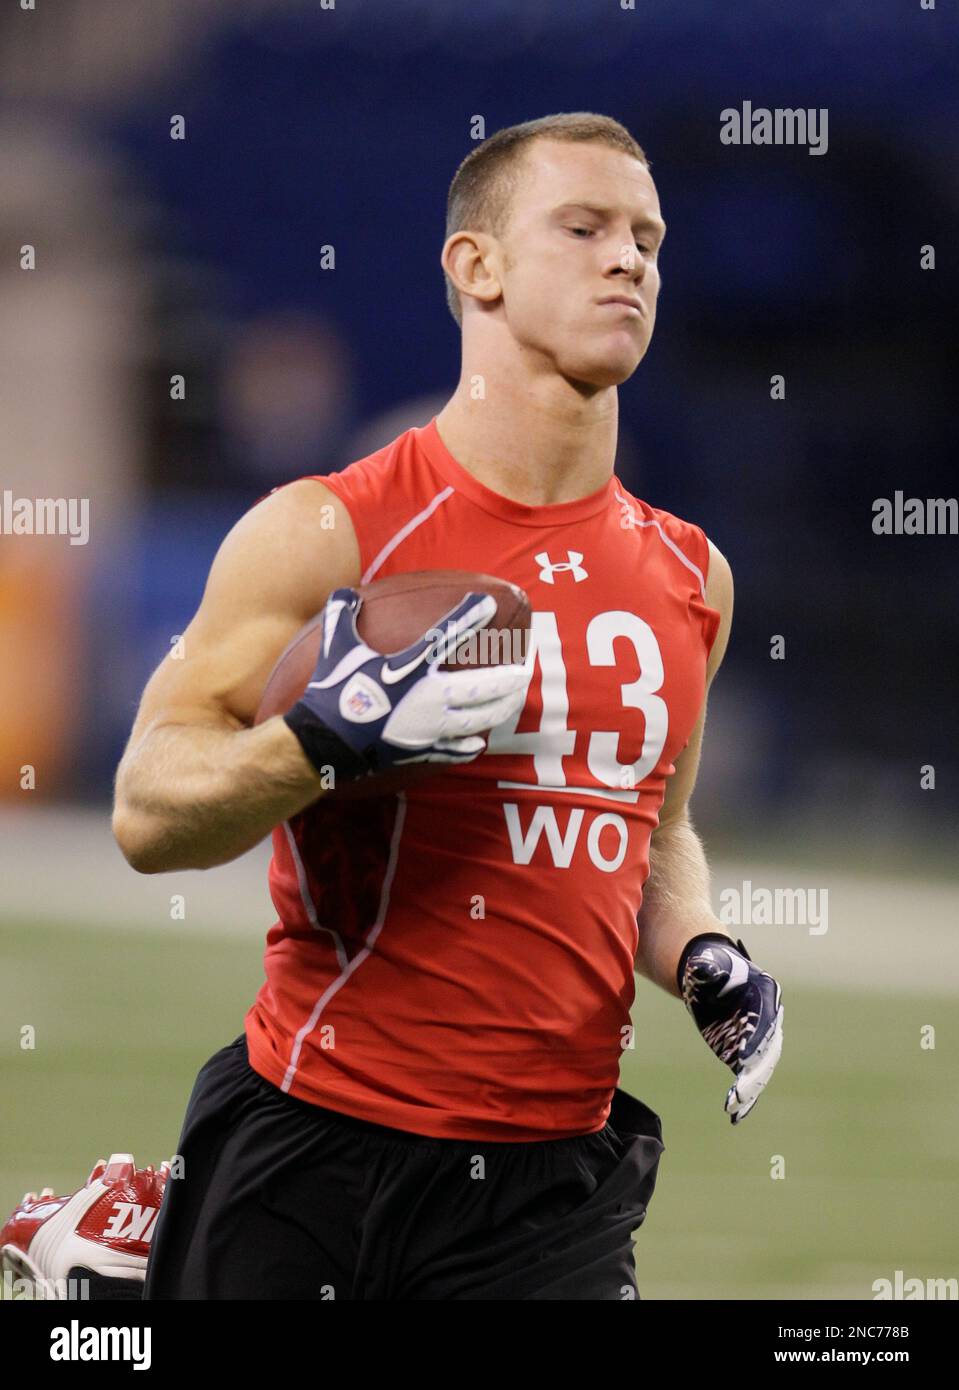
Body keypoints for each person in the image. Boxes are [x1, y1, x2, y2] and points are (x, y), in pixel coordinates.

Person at [110, 111, 783, 1301]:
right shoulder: (332, 530)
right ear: (475, 267)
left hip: (550, 1186)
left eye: (647, 238)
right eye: (581, 228)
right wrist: (322, 739)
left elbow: (649, 828)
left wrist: (700, 953)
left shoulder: (693, 576)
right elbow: (148, 813)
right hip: (317, 1144)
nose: (628, 259)